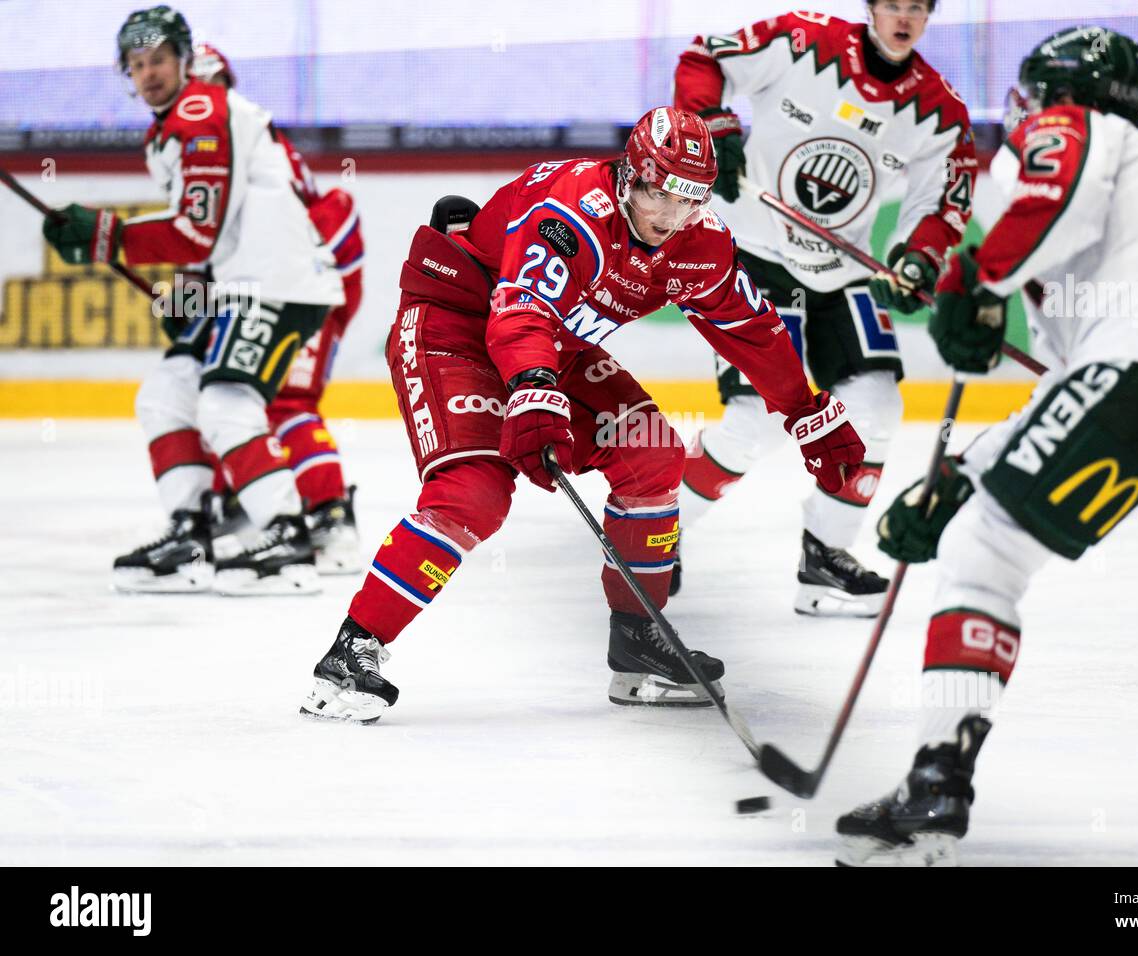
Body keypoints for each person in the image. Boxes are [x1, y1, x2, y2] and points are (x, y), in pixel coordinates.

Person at [836, 26, 1138, 867]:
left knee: (986, 553)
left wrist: (974, 282)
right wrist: (958, 479)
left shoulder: (1072, 132)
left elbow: (1043, 205)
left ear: (1050, 92)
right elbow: (1070, 390)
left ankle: (937, 785)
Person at [299, 107, 866, 723]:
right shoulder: (574, 211)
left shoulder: (698, 241)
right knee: (474, 494)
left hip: (550, 347)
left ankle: (638, 644)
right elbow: (522, 307)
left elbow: (752, 329)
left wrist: (807, 411)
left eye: (690, 199)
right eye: (661, 194)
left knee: (653, 452)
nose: (671, 217)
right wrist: (535, 388)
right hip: (455, 326)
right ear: (631, 175)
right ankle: (353, 651)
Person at [672, 1, 976, 617]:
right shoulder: (801, 39)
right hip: (755, 254)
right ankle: (651, 535)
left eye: (918, 7)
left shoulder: (940, 110)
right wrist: (709, 123)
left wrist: (918, 258)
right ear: (871, 7)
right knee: (754, 420)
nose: (904, 17)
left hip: (847, 270)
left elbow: (942, 202)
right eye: (893, 4)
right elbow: (704, 56)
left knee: (877, 408)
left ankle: (825, 559)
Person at [41, 5, 344, 595]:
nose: (148, 72)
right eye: (137, 64)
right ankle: (191, 530)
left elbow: (197, 232)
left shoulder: (201, 109)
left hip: (276, 281)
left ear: (185, 61)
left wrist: (110, 235)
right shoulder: (172, 127)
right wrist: (192, 293)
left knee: (226, 401)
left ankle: (286, 536)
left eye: (158, 59)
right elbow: (213, 237)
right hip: (242, 280)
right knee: (166, 393)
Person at [188, 42, 366, 574]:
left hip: (306, 281)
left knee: (287, 401)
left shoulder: (239, 141)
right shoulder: (229, 140)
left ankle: (330, 513)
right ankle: (245, 498)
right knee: (241, 389)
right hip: (289, 277)